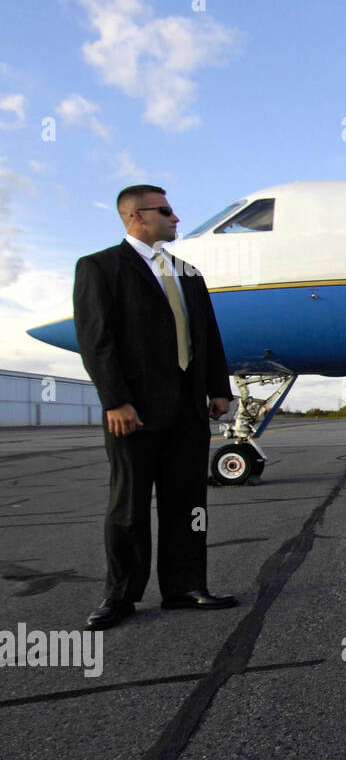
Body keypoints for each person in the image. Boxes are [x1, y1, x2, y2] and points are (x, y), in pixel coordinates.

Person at [74, 185, 238, 631]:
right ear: (135, 216)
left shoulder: (188, 274)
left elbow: (208, 336)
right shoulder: (100, 267)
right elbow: (97, 340)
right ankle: (120, 594)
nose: (176, 218)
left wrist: (217, 389)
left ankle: (185, 587)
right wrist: (116, 400)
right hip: (134, 411)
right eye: (166, 210)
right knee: (128, 506)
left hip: (187, 410)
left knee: (188, 502)